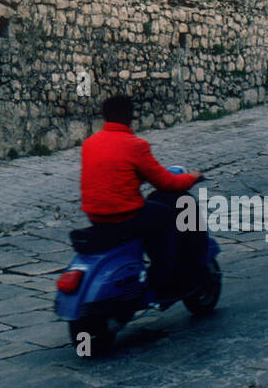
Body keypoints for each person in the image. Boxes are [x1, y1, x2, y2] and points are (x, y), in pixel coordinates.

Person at [80, 94, 205, 292]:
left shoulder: (89, 144)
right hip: (125, 216)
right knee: (169, 217)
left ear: (105, 116)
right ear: (130, 116)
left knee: (153, 211)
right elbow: (166, 182)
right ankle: (165, 275)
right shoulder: (135, 145)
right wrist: (192, 177)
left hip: (96, 217)